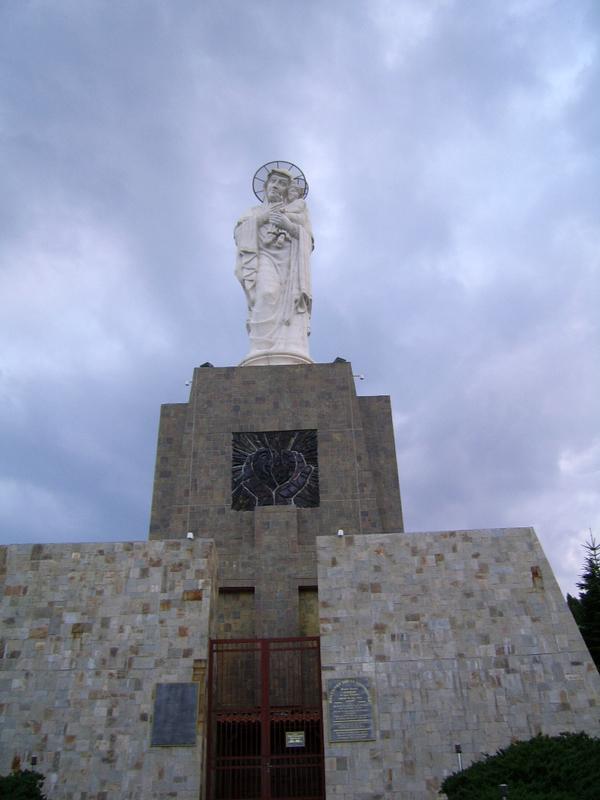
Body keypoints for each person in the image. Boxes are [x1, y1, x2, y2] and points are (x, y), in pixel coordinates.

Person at [234, 168, 313, 365]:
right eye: (273, 181)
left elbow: (308, 241)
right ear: (266, 186)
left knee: (293, 305)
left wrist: (288, 226)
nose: (276, 186)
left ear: (288, 190)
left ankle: (291, 347)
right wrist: (262, 218)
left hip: (290, 264)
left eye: (282, 183)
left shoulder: (296, 211)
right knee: (267, 294)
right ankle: (260, 349)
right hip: (264, 258)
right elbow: (239, 235)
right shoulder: (252, 212)